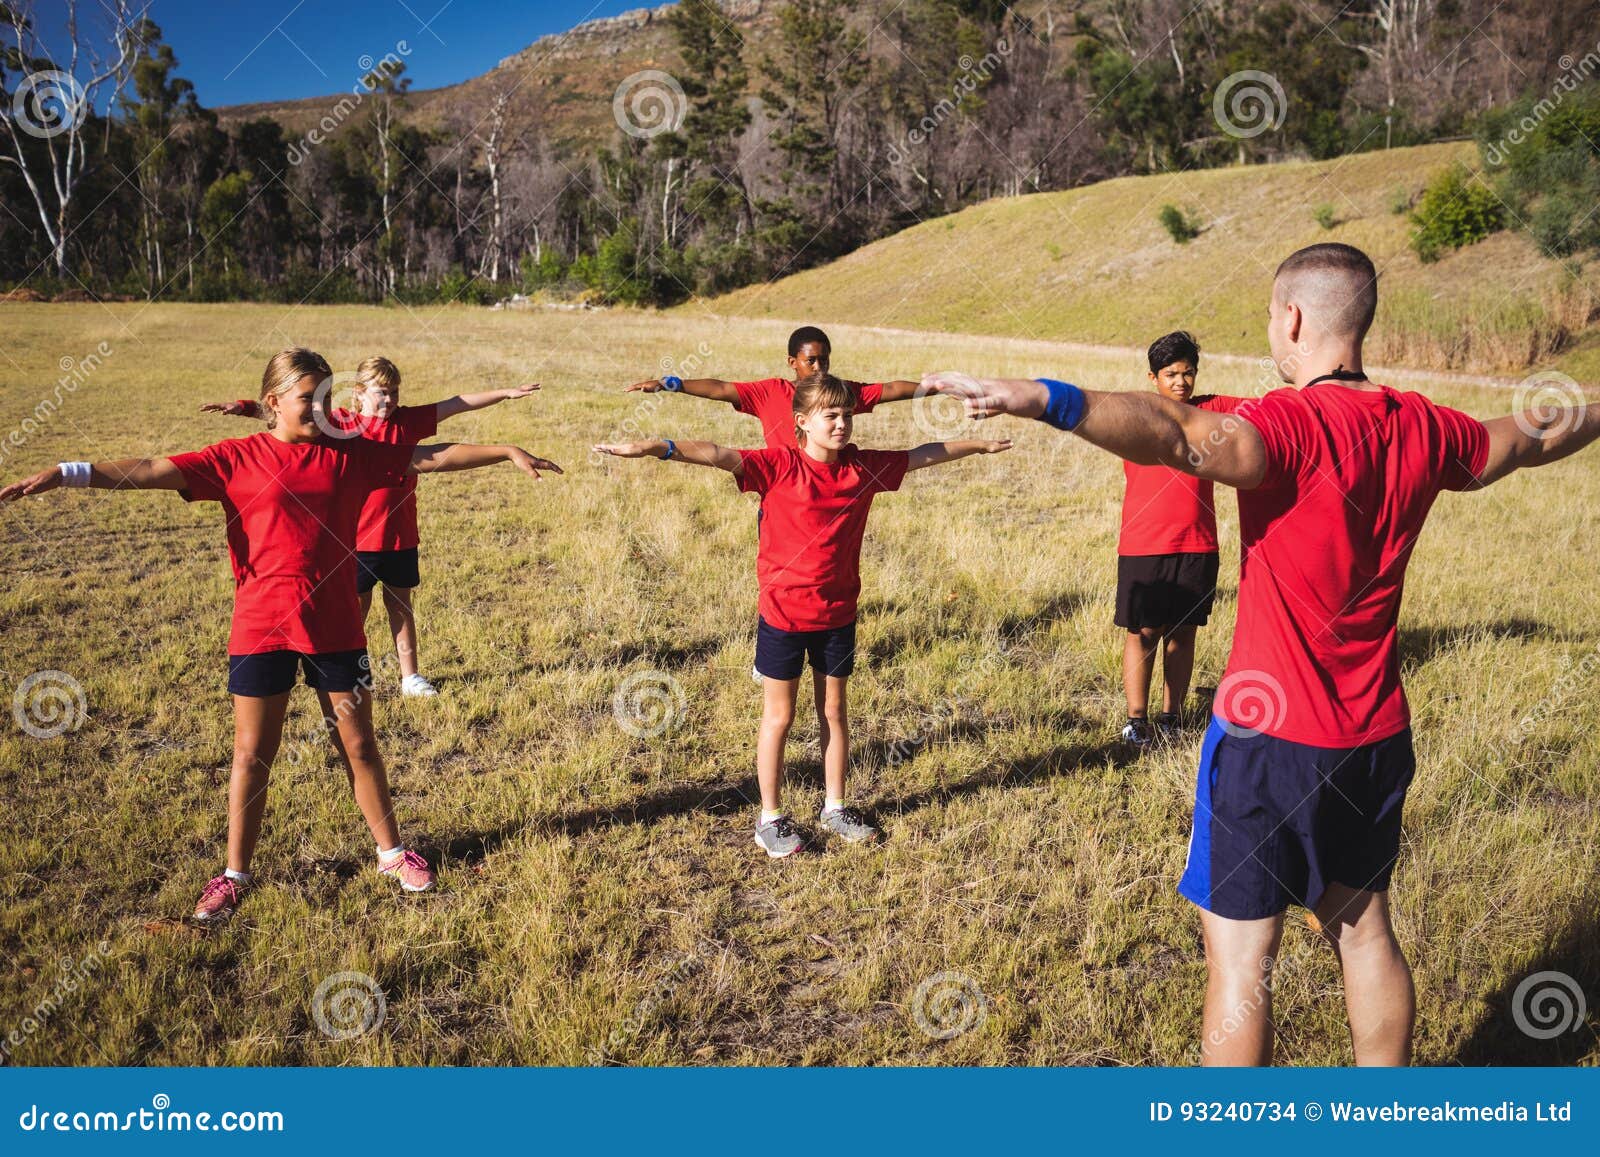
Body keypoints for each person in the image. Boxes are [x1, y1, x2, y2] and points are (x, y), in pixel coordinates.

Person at [925, 242, 1600, 1065]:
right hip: (1375, 736)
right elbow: (1531, 434)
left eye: (1271, 319)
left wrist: (1045, 397)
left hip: (1268, 743)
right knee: (1364, 929)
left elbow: (1176, 432)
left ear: (1293, 318)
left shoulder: (1290, 422)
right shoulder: (1424, 424)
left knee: (1243, 961)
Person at [3, 349, 562, 925]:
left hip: (336, 628)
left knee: (360, 747)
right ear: (272, 402)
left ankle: (392, 854)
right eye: (308, 399)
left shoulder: (348, 454)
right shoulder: (234, 458)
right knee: (252, 756)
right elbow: (150, 470)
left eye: (327, 398)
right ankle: (234, 875)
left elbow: (429, 457)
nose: (322, 409)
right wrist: (68, 472)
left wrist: (504, 450)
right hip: (260, 628)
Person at [595, 372, 1011, 857]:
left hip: (838, 615)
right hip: (783, 617)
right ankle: (770, 817)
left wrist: (976, 445)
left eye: (847, 415)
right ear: (802, 422)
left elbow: (923, 454)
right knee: (781, 715)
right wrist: (657, 447)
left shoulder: (863, 468)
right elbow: (718, 453)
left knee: (834, 711)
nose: (842, 424)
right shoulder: (778, 466)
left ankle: (835, 807)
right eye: (830, 416)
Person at [201, 357, 539, 697]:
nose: (389, 400)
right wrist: (244, 407)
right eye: (381, 392)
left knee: (400, 606)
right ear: (359, 393)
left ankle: (410, 676)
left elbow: (457, 403)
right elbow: (291, 413)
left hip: (399, 538)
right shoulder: (340, 424)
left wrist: (504, 394)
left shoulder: (407, 421)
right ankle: (334, 671)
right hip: (355, 542)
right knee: (352, 611)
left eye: (394, 392)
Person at [1116, 332, 1243, 747]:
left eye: (1188, 373)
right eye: (1171, 374)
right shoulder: (1137, 412)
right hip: (1144, 543)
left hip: (1198, 543)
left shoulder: (1212, 411)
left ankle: (1172, 718)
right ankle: (1137, 720)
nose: (1180, 382)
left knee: (1184, 632)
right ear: (1153, 377)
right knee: (1143, 632)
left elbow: (1269, 410)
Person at [623, 325, 924, 448]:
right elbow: (721, 389)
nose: (819, 367)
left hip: (828, 489)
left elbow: (891, 390)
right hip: (780, 488)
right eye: (811, 361)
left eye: (824, 360)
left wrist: (934, 387)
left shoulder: (840, 393)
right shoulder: (770, 392)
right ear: (793, 362)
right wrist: (669, 384)